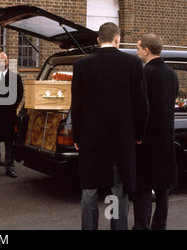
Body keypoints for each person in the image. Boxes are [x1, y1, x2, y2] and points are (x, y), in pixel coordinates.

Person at [71, 22, 149, 230]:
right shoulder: (133, 64)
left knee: (90, 188)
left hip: (91, 137)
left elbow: (76, 106)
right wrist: (139, 133)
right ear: (117, 38)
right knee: (118, 188)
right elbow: (141, 104)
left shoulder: (82, 65)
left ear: (98, 40)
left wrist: (76, 136)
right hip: (122, 137)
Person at [133, 34, 179, 230]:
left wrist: (138, 135)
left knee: (143, 185)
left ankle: (141, 226)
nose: (137, 51)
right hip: (167, 136)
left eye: (138, 48)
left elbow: (141, 107)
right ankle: (159, 225)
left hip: (148, 138)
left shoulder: (144, 74)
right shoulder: (172, 74)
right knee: (163, 186)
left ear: (146, 50)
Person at [0, 51, 23, 178]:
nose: (2, 63)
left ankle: (9, 167)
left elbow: (19, 95)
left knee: (9, 142)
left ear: (7, 62)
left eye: (4, 60)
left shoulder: (15, 77)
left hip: (8, 116)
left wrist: (12, 107)